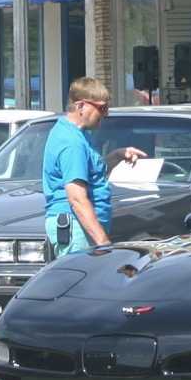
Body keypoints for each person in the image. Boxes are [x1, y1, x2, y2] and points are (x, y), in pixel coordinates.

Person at [41, 76, 146, 255]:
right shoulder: (71, 143)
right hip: (77, 229)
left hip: (81, 227)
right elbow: (77, 198)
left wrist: (117, 156)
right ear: (81, 106)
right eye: (102, 108)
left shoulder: (78, 135)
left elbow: (92, 173)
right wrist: (103, 242)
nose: (106, 114)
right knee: (82, 282)